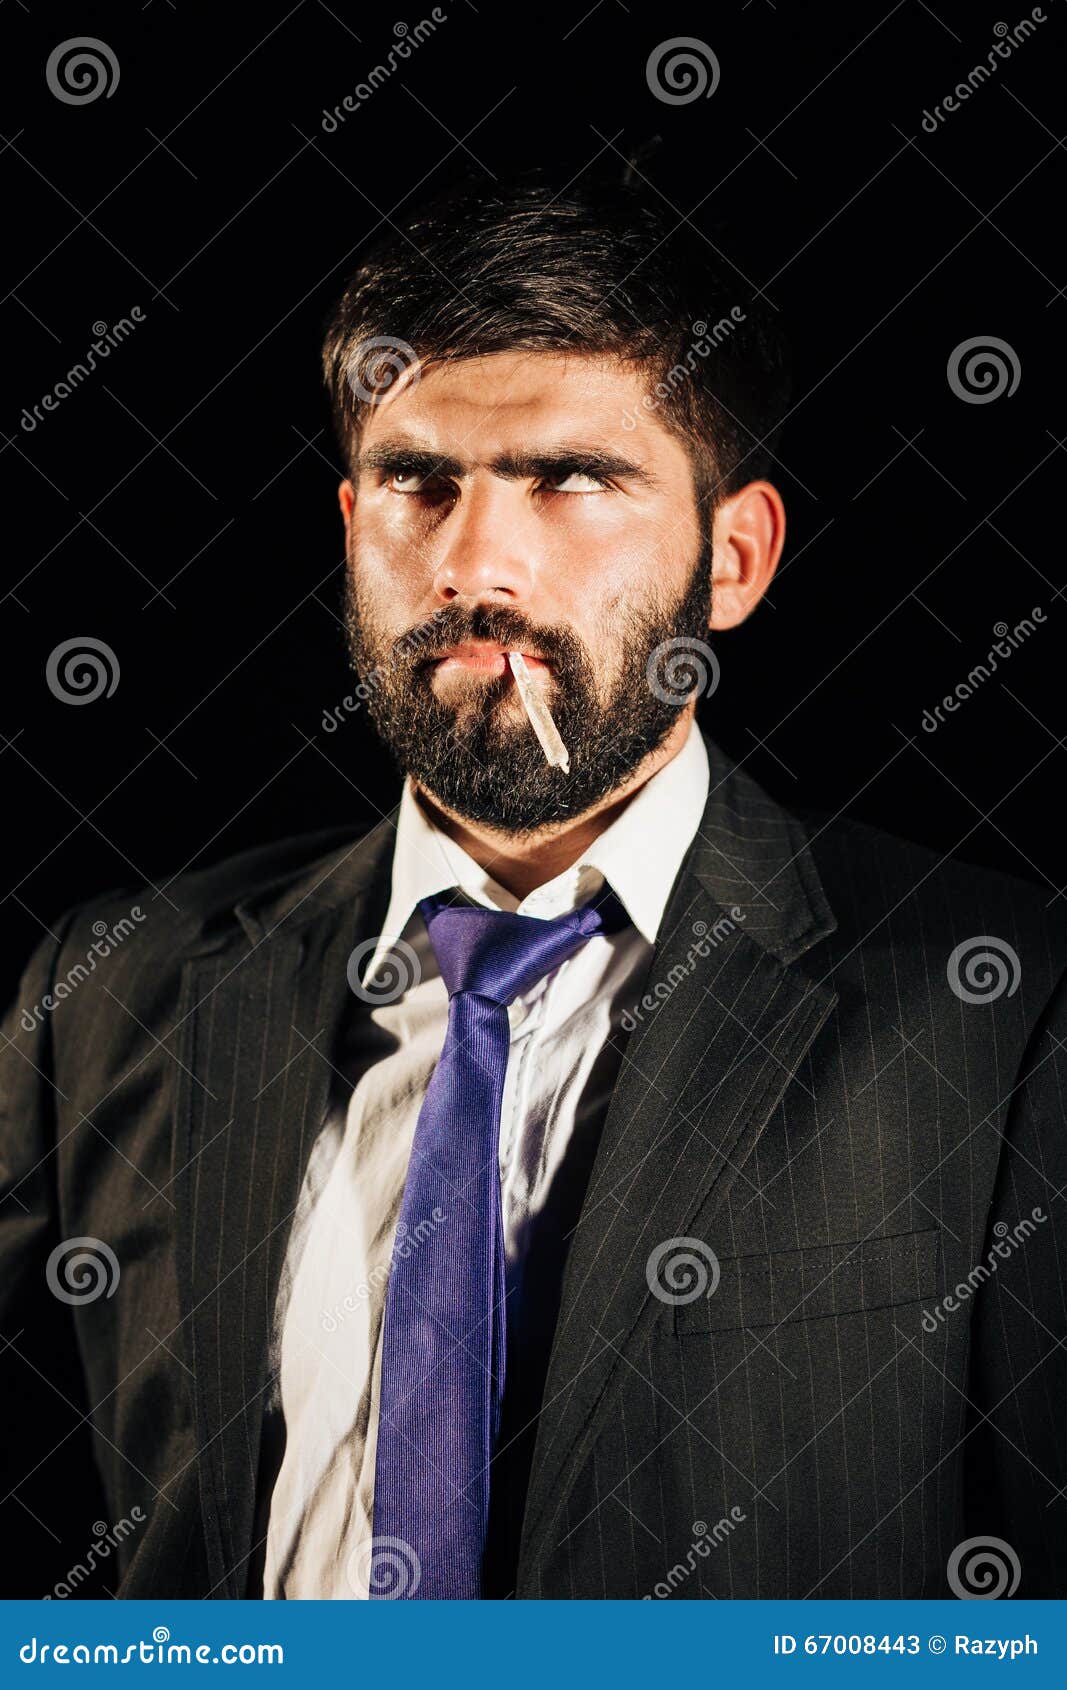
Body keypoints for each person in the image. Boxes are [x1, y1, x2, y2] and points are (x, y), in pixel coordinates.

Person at [2, 170, 1065, 1602]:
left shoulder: (998, 1002)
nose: (473, 562)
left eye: (572, 478)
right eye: (416, 480)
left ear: (733, 558)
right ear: (349, 519)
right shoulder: (108, 991)